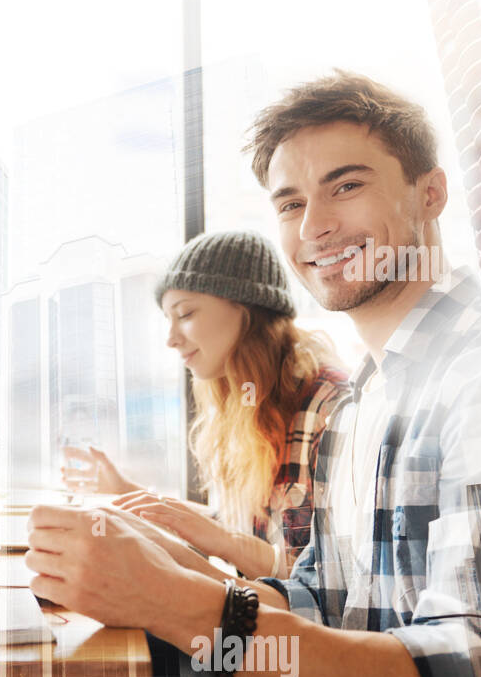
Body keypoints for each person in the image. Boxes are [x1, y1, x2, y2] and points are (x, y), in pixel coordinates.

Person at [27, 71, 481, 677]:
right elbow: (314, 599)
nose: (316, 226)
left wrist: (174, 596)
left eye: (346, 186)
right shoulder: (368, 398)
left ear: (431, 193)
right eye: (292, 203)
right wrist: (149, 562)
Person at [62, 229, 349, 580]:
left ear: (247, 309)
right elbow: (241, 530)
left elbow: (334, 584)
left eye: (184, 314)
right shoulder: (244, 403)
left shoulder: (330, 407)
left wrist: (221, 539)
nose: (170, 338)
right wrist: (129, 493)